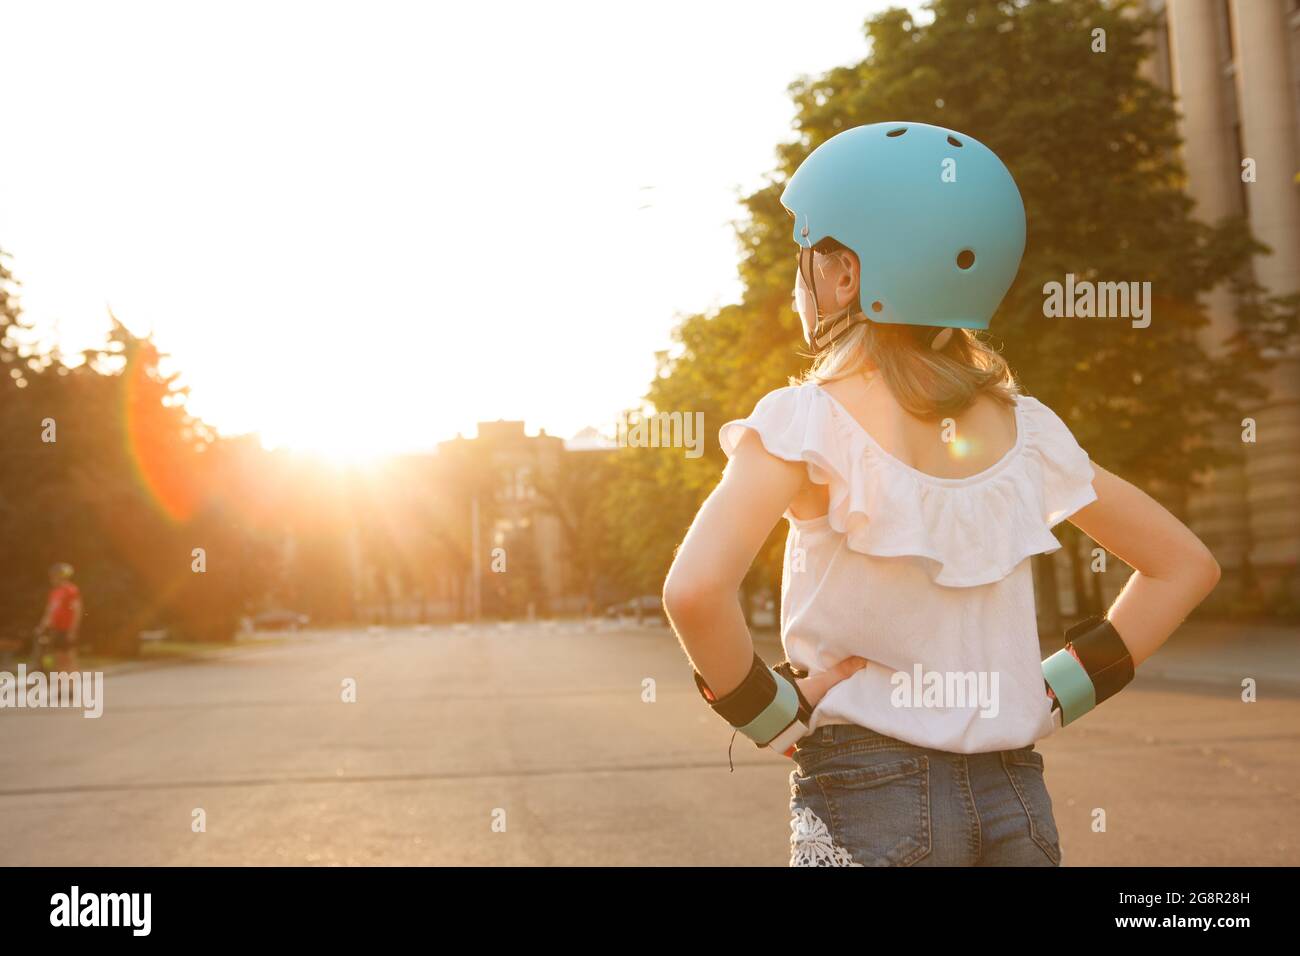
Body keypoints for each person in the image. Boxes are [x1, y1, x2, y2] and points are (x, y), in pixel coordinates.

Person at [662, 121, 1220, 866]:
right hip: (1014, 794)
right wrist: (1054, 689)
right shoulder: (1030, 431)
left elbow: (695, 591)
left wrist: (773, 713)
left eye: (803, 257)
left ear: (844, 276)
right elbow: (1184, 565)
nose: (795, 282)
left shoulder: (806, 420)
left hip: (867, 791)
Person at [36, 562, 82, 673]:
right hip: (55, 630)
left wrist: (72, 630)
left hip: (66, 630)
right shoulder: (54, 592)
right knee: (57, 659)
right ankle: (60, 688)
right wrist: (41, 627)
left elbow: (77, 610)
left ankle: (71, 687)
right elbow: (50, 611)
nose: (52, 579)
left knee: (68, 658)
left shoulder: (71, 590)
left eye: (55, 576)